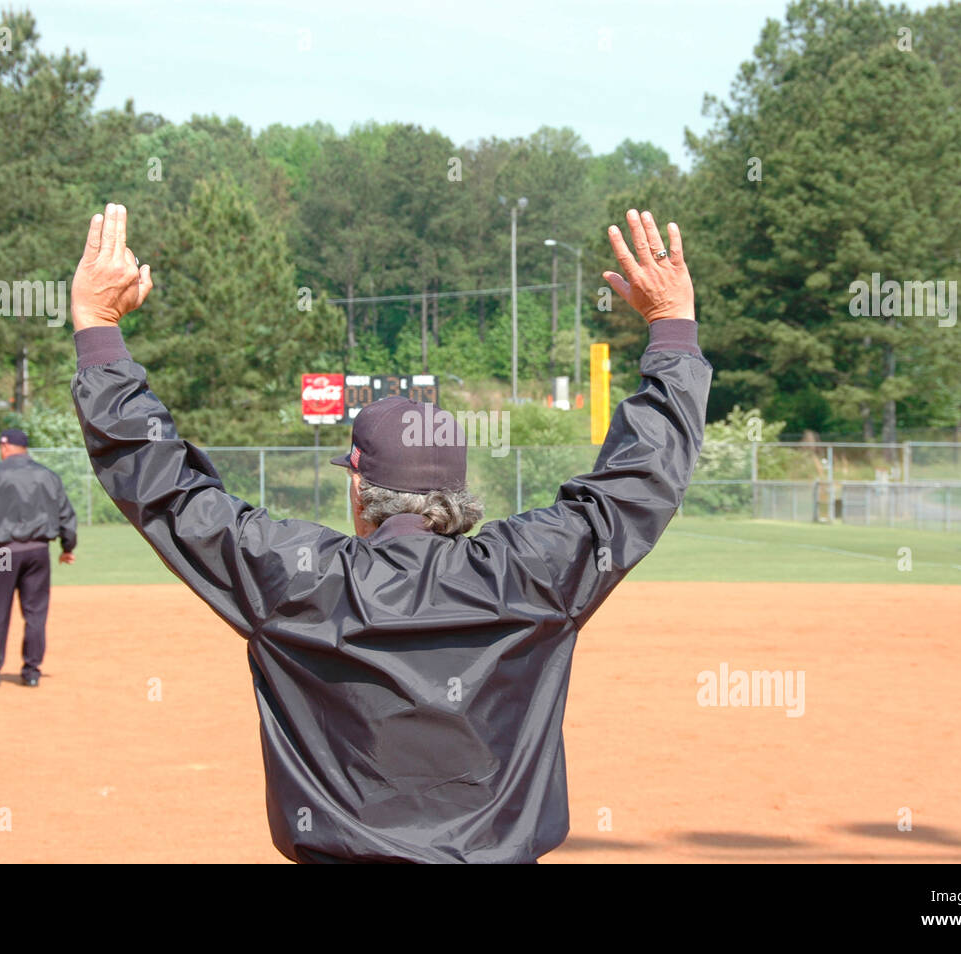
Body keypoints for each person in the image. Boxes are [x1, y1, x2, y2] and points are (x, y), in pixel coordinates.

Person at [68, 203, 711, 862]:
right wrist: (672, 327)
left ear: (360, 489)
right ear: (456, 496)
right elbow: (641, 480)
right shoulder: (530, 573)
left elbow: (166, 487)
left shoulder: (299, 578)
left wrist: (99, 329)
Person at [0, 428, 78, 688]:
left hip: (7, 552)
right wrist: (67, 547)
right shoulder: (48, 476)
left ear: (5, 447)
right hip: (39, 551)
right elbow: (66, 514)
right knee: (35, 612)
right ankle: (32, 672)